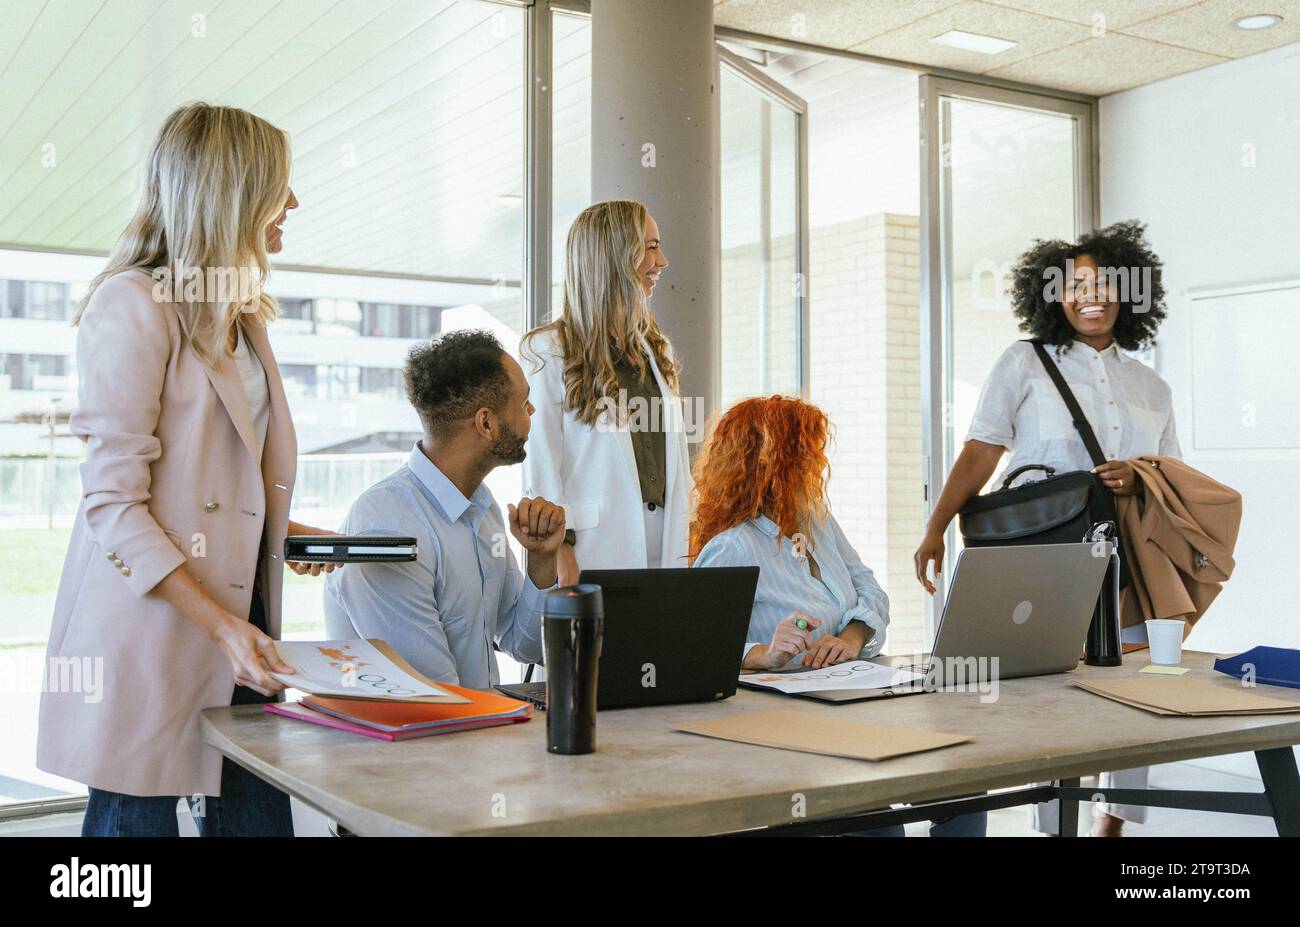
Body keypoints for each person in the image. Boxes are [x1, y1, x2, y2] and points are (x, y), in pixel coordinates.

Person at [37, 102, 339, 837]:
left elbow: (212, 481)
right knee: (131, 839)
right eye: (278, 186)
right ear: (230, 192)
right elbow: (113, 502)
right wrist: (223, 627)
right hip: (153, 637)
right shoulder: (133, 306)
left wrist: (279, 532)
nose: (292, 203)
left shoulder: (246, 317)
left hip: (241, 636)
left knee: (259, 825)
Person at [913, 220, 1176, 837]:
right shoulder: (1025, 362)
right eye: (1076, 283)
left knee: (1135, 695)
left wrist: (1139, 480)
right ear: (1052, 293)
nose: (1093, 294)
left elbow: (1172, 477)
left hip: (1127, 558)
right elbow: (981, 450)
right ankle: (1051, 828)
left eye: (1108, 282)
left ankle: (1111, 830)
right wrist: (936, 528)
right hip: (1042, 554)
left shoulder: (1152, 386)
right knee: (1044, 694)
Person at [690, 395, 986, 837]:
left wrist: (851, 636)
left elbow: (871, 591)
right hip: (787, 725)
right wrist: (764, 655)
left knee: (965, 785)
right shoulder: (732, 547)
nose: (816, 462)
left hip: (852, 702)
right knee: (873, 819)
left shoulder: (817, 523)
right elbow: (694, 647)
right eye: (805, 452)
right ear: (771, 464)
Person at [324, 330, 565, 687]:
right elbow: (433, 695)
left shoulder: (483, 508)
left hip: (472, 731)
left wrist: (542, 560)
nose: (531, 411)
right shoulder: (387, 522)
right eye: (524, 402)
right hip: (422, 737)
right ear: (486, 423)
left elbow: (523, 644)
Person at [521, 199, 690, 584]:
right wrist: (559, 554)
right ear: (613, 255)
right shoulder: (549, 351)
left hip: (667, 554)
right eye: (650, 247)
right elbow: (542, 469)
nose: (661, 260)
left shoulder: (653, 347)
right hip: (591, 554)